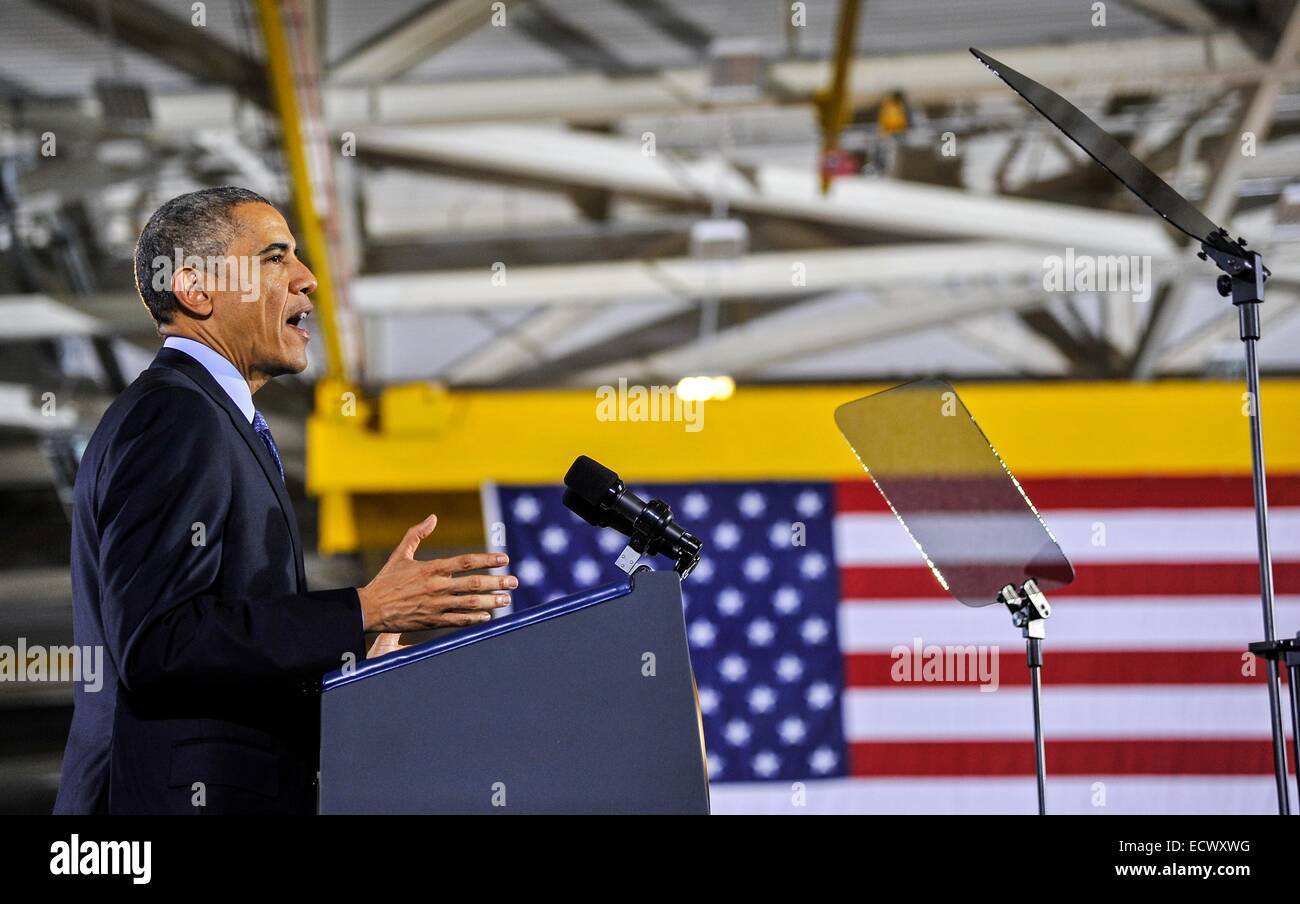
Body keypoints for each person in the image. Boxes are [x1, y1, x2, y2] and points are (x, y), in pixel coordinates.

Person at [54, 187, 516, 814]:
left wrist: (358, 645)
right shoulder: (177, 414)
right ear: (195, 289)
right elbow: (158, 643)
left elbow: (212, 653)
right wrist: (359, 610)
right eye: (275, 258)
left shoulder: (208, 417)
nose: (308, 279)